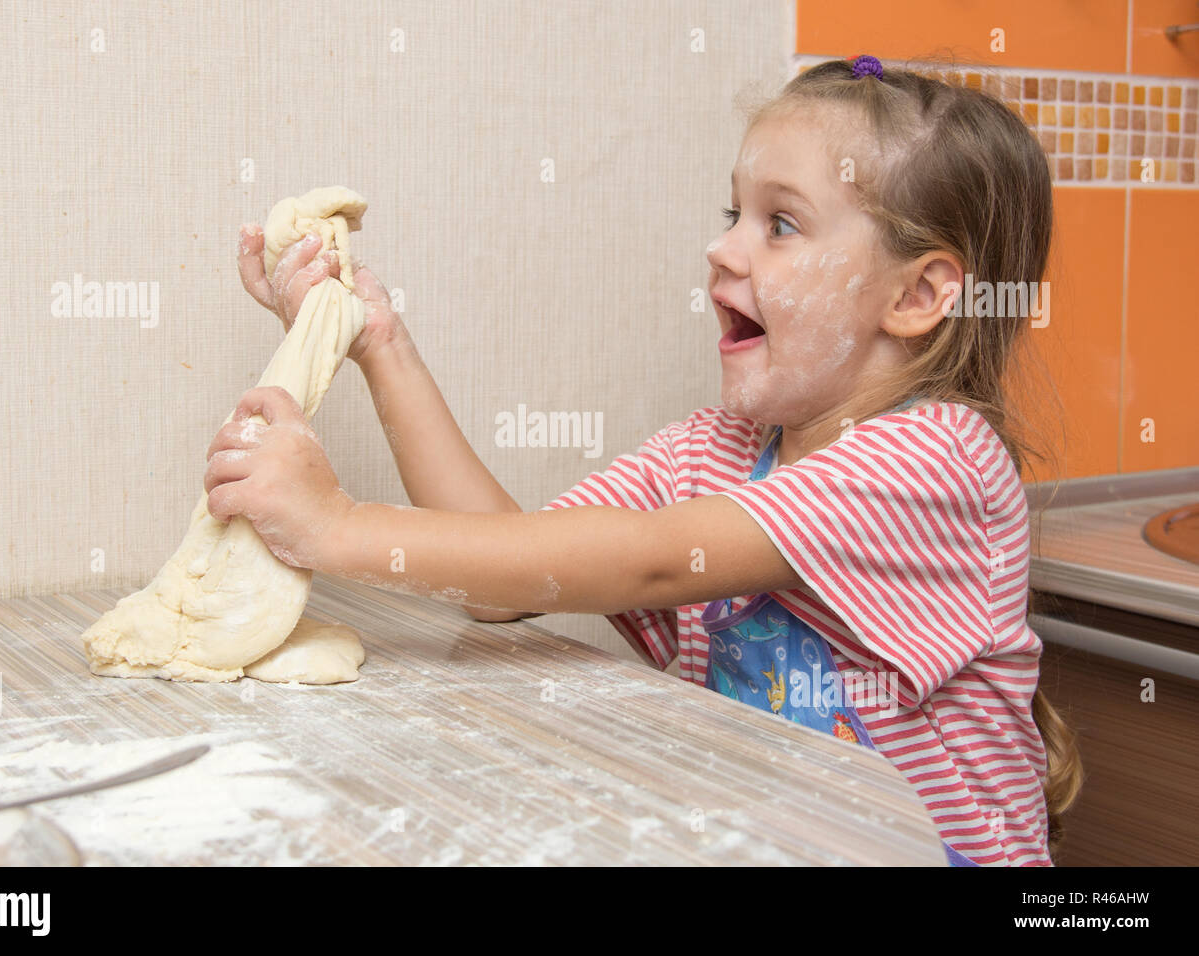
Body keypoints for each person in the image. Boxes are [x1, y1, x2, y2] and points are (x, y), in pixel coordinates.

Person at [216, 55, 1082, 866]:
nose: (723, 249)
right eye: (731, 214)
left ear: (916, 295)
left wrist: (338, 527)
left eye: (780, 223)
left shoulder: (937, 459)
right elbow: (503, 574)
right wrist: (381, 343)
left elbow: (647, 561)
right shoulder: (716, 451)